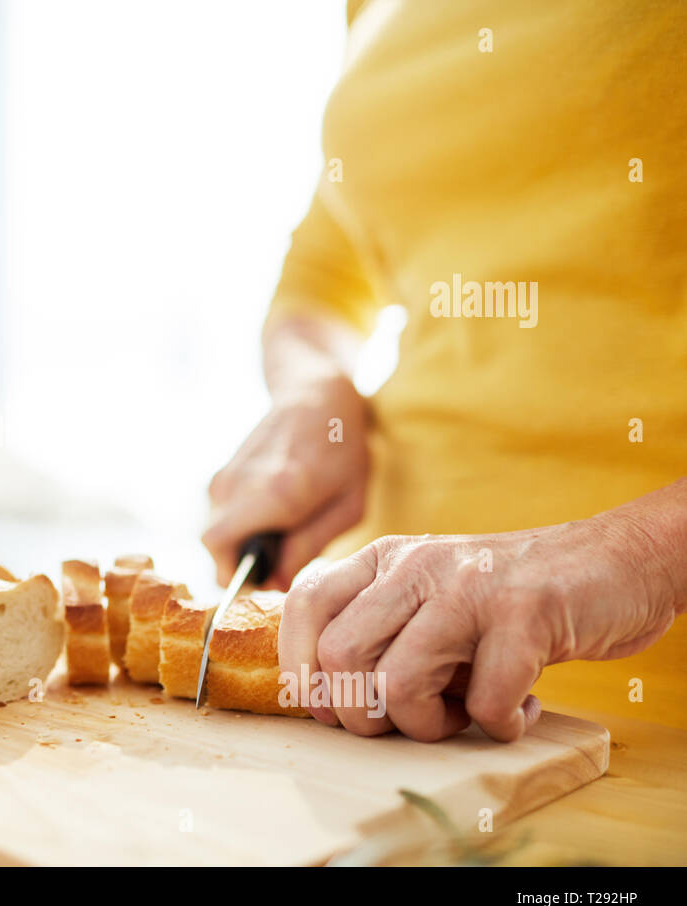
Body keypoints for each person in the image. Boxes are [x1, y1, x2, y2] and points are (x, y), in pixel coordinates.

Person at [202, 0, 687, 741]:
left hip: (648, 732)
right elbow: (323, 276)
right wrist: (315, 393)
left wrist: (643, 554)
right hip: (375, 696)